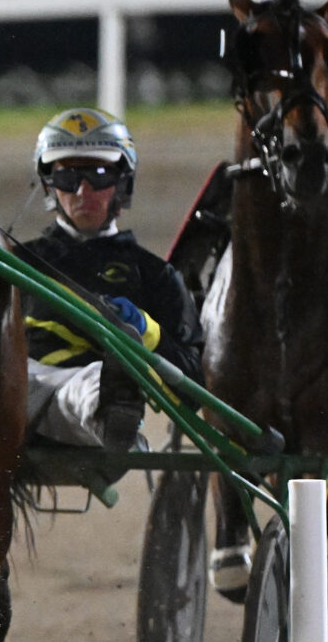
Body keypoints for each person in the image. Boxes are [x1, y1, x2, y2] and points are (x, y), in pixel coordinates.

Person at [13, 107, 200, 452]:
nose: (83, 191)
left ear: (122, 182)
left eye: (99, 175)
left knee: (94, 384)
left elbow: (192, 391)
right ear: (50, 185)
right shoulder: (13, 262)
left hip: (86, 404)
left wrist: (148, 331)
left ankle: (110, 411)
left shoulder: (154, 276)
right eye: (68, 177)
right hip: (9, 398)